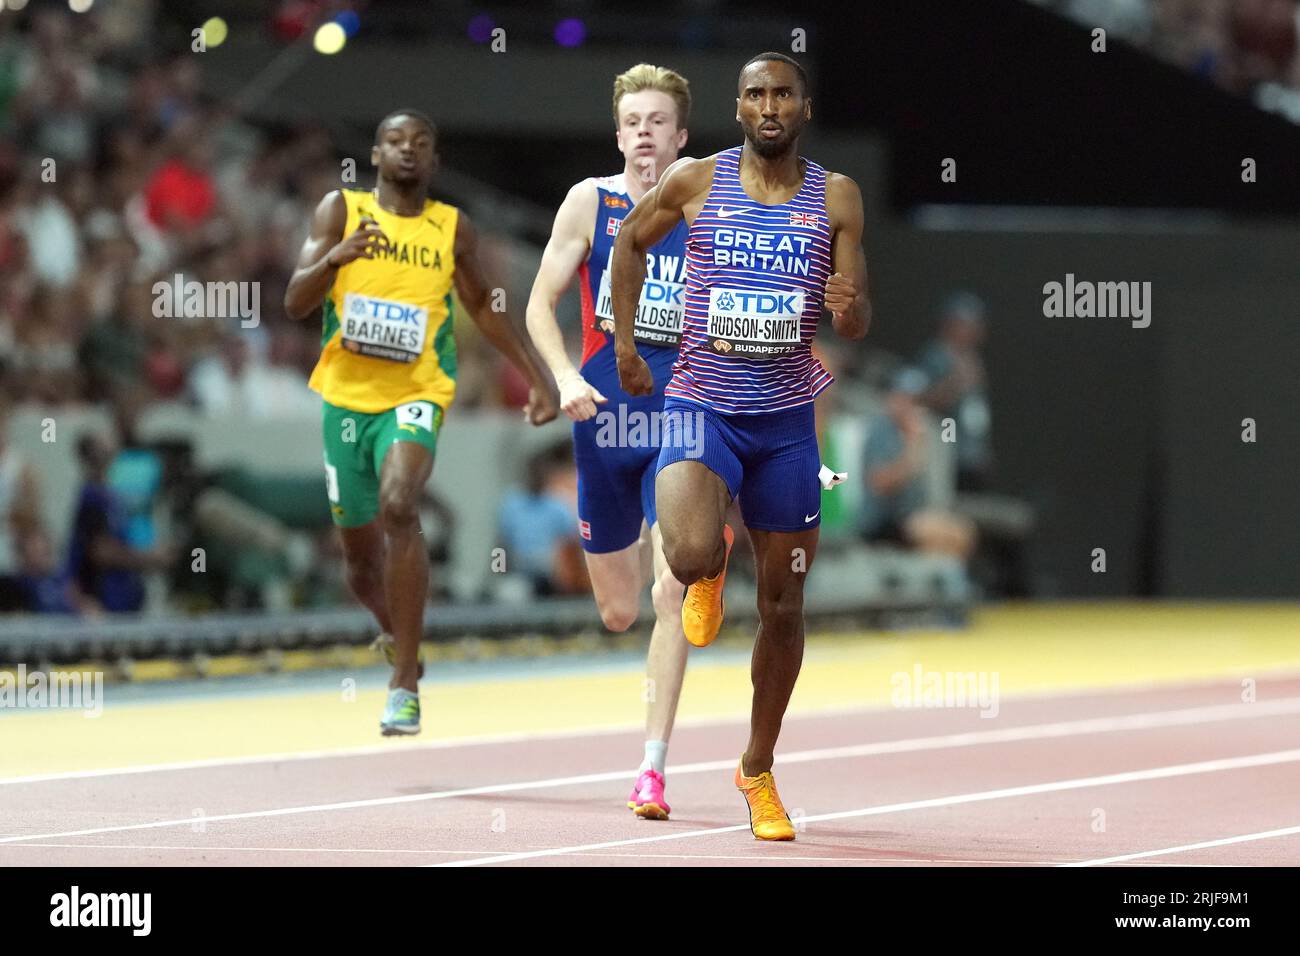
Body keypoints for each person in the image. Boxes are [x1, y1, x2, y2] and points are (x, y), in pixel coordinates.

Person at [612, 53, 871, 840]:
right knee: (687, 555)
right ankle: (708, 567)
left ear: (804, 106)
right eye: (756, 93)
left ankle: (757, 767)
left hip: (787, 424)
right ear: (739, 106)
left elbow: (855, 319)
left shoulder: (836, 196)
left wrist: (848, 306)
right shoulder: (697, 182)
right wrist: (625, 347)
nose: (769, 105)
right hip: (701, 406)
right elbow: (628, 241)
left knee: (785, 605)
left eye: (782, 93)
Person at [285, 109, 557, 736]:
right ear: (376, 155)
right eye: (394, 142)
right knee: (357, 563)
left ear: (434, 163)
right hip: (346, 401)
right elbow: (296, 301)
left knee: (401, 505)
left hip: (417, 392)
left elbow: (485, 309)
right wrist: (335, 261)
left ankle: (403, 682)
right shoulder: (340, 212)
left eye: (422, 143)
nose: (408, 151)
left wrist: (538, 376)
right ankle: (394, 630)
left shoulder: (451, 229)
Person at [525, 64, 692, 819]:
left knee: (670, 590)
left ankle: (651, 767)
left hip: (678, 413)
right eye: (634, 121)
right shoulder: (588, 203)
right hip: (603, 416)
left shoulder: (706, 200)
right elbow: (537, 304)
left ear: (681, 136)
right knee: (619, 610)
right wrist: (563, 375)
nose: (646, 132)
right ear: (618, 132)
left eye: (660, 120)